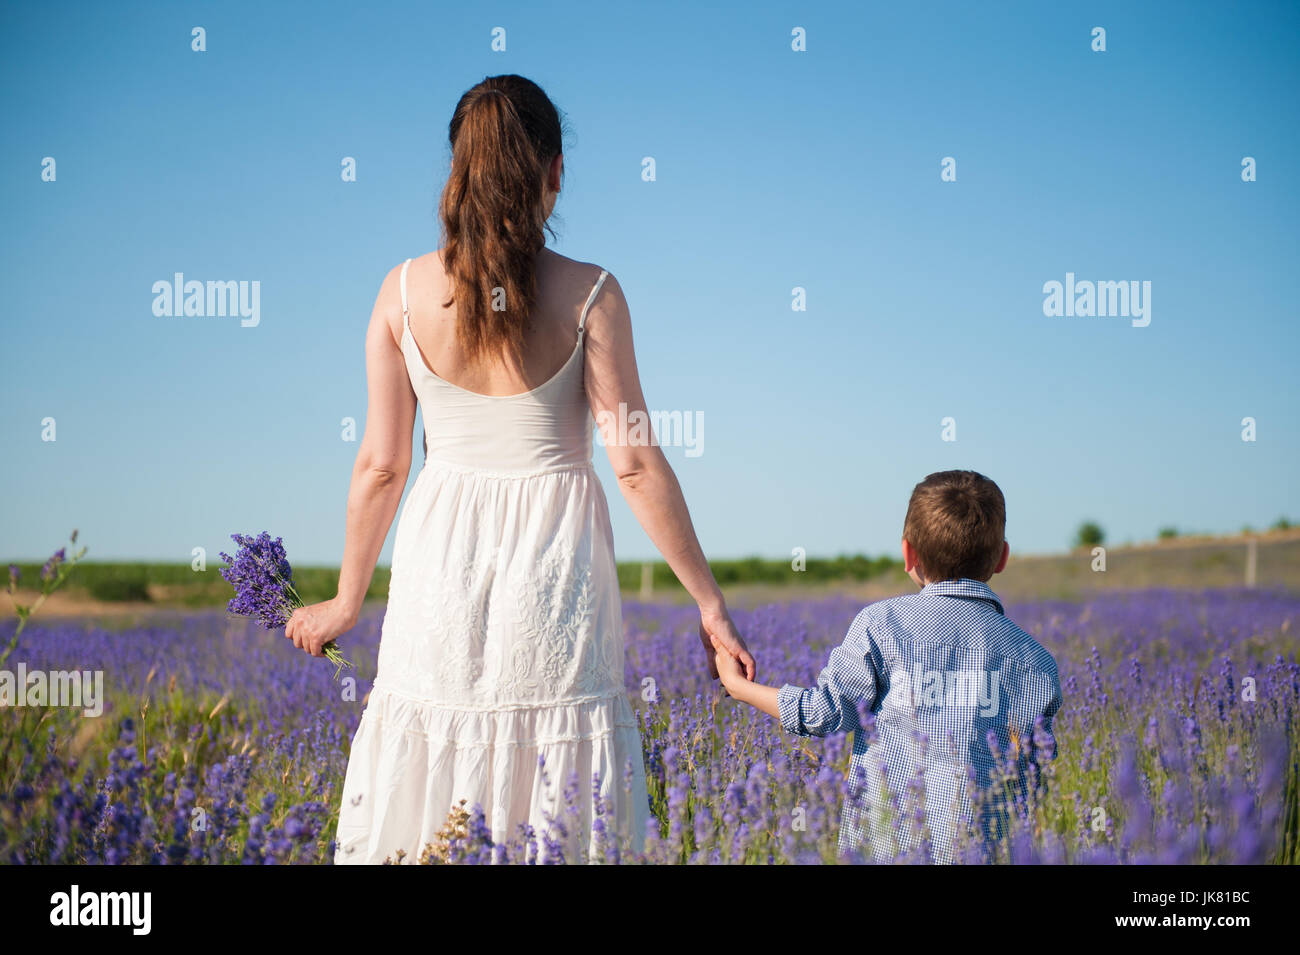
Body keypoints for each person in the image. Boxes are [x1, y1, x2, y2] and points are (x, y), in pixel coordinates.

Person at [284, 74, 755, 864]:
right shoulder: (592, 293)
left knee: (434, 751)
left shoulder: (401, 293)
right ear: (555, 171)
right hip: (555, 557)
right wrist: (710, 604)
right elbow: (634, 463)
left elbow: (381, 466)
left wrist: (346, 598)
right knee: (558, 770)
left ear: (456, 172)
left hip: (441, 553)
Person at [713, 469, 1061, 863]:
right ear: (1002, 558)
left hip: (890, 847)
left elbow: (824, 713)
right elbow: (1034, 782)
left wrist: (738, 686)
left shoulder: (882, 625)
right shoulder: (1036, 664)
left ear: (908, 553)